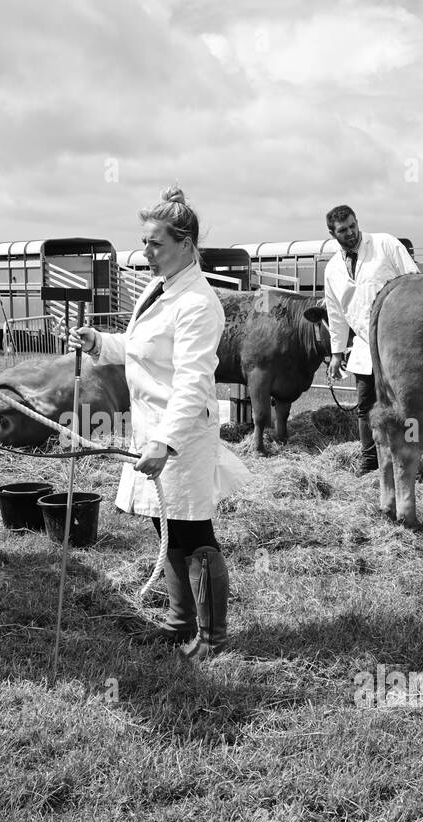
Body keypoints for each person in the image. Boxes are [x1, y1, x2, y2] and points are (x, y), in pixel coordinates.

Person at [68, 186, 251, 663]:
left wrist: (166, 442)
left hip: (182, 435)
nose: (145, 252)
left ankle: (212, 637)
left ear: (186, 243)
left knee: (194, 534)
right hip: (151, 428)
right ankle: (178, 623)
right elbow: (138, 347)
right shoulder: (160, 287)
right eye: (144, 241)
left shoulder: (198, 303)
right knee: (164, 523)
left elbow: (192, 383)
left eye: (155, 243)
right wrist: (97, 343)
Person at [323, 205, 423, 481]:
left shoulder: (385, 245)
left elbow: (416, 285)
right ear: (333, 234)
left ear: (357, 221)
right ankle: (369, 462)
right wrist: (336, 353)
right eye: (342, 230)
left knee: (412, 405)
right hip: (362, 345)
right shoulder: (333, 268)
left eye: (352, 226)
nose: (350, 233)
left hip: (399, 345)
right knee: (365, 407)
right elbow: (335, 312)